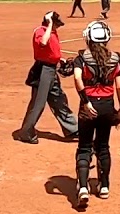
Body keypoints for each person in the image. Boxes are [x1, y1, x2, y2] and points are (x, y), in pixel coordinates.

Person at [72, 20, 120, 207]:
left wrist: (85, 101)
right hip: (107, 106)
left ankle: (84, 187)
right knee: (103, 146)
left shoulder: (81, 58)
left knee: (85, 147)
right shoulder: (115, 58)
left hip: (89, 107)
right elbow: (119, 87)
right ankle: (104, 186)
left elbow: (78, 79)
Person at [15, 11, 78, 144]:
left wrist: (60, 59)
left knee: (59, 99)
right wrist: (49, 25)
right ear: (50, 22)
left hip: (52, 69)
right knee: (38, 103)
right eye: (56, 24)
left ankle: (72, 129)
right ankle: (25, 132)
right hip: (43, 71)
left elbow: (49, 51)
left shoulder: (52, 32)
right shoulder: (40, 31)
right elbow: (43, 43)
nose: (57, 27)